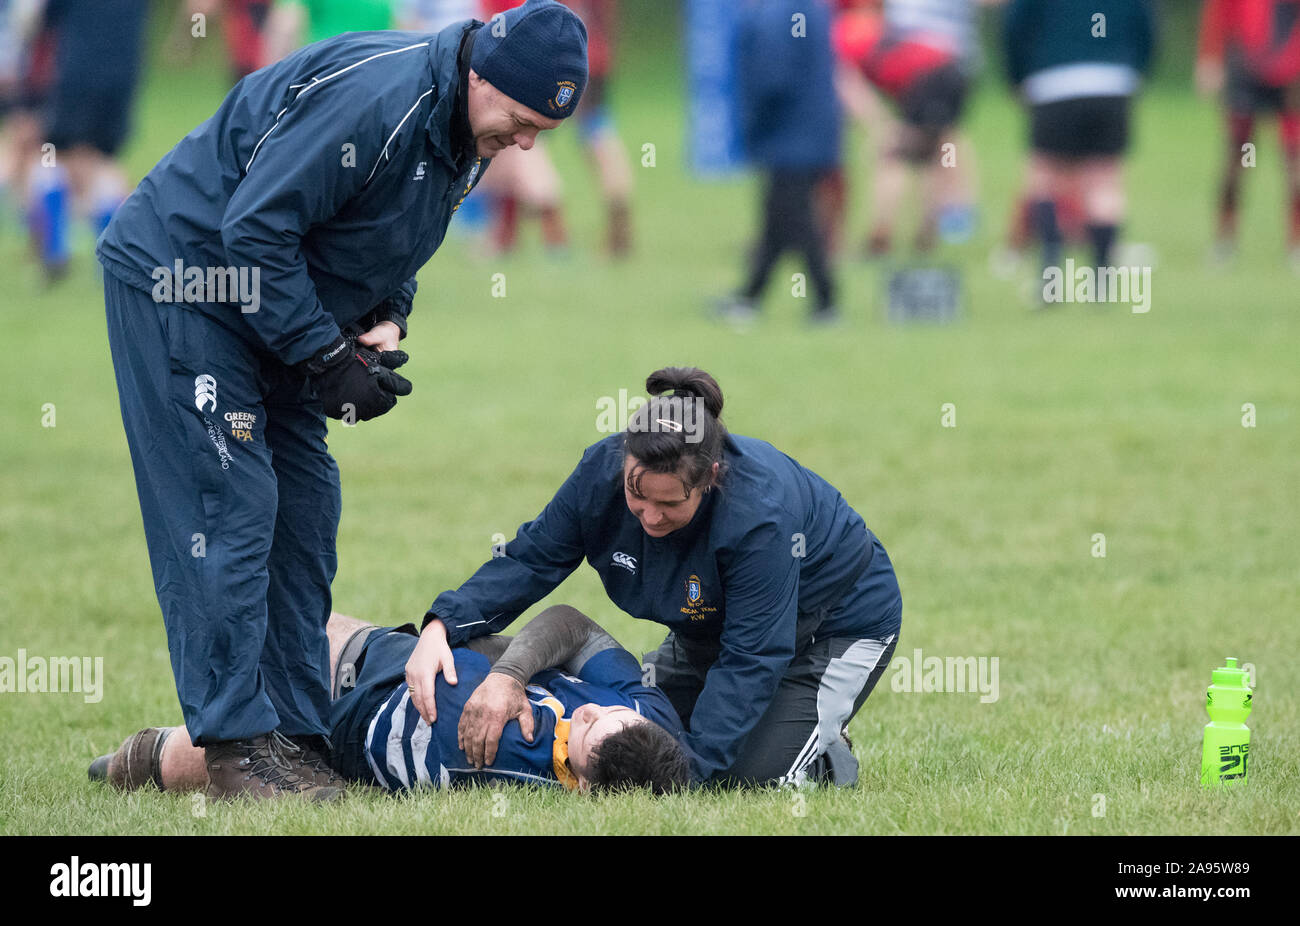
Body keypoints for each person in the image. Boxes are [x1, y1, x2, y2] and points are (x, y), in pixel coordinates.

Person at [97, 0, 589, 801]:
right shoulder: (380, 100)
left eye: (543, 130)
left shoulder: (467, 128)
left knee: (306, 506)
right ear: (482, 73)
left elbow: (394, 237)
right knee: (234, 506)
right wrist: (324, 355)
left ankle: (291, 734)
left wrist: (387, 317)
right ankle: (235, 749)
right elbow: (254, 228)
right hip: (185, 285)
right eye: (521, 119)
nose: (526, 142)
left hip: (272, 310)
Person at [411, 367, 902, 788]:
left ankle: (819, 745)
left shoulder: (760, 517)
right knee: (647, 731)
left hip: (835, 627)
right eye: (637, 494)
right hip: (715, 631)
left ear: (710, 477)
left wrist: (690, 773)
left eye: (670, 503)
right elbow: (532, 557)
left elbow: (752, 656)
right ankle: (786, 727)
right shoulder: (599, 472)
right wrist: (444, 625)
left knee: (742, 778)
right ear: (625, 460)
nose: (649, 516)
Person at [89, 606, 690, 796]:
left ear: (581, 785)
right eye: (604, 712)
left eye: (585, 738)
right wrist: (509, 670)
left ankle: (134, 760)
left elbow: (444, 705)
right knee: (276, 607)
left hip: (344, 720)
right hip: (379, 655)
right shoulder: (649, 720)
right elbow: (572, 624)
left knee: (215, 749)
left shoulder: (524, 767)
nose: (588, 712)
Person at [1003, 0, 1156, 279]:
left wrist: (1016, 76)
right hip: (1112, 83)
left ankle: (1050, 271)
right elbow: (1146, 27)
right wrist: (1137, 70)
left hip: (1052, 83)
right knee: (1105, 181)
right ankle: (1101, 278)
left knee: (1044, 176)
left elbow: (1016, 27)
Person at [716, 0, 843, 326]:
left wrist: (752, 122)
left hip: (791, 133)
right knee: (779, 217)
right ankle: (749, 298)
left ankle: (826, 304)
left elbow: (772, 75)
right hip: (809, 128)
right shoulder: (806, 6)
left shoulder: (779, 10)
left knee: (795, 217)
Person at [1196, 0, 1300, 265]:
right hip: (1246, 66)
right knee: (1239, 158)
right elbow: (1220, 10)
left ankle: (1295, 243)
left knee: (1294, 161)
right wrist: (1210, 57)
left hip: (1291, 70)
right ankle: (1225, 239)